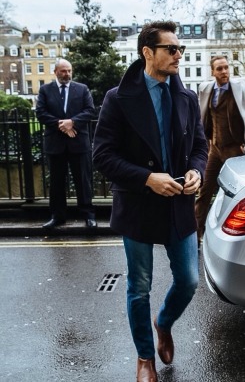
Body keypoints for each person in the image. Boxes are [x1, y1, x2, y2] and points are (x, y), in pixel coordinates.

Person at [92, 21, 208, 382]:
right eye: (171, 49)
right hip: (139, 205)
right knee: (138, 287)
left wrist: (196, 172)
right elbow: (102, 155)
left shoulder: (186, 97)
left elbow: (200, 148)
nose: (178, 55)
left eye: (180, 50)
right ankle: (144, 358)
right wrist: (146, 178)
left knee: (188, 280)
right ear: (148, 52)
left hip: (178, 204)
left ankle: (164, 322)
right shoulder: (118, 98)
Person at [194, 55, 245, 243]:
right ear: (212, 72)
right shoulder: (206, 90)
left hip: (234, 150)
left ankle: (239, 237)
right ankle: (196, 235)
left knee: (239, 193)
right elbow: (203, 116)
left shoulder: (240, 88)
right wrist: (207, 140)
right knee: (204, 191)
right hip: (215, 148)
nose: (224, 72)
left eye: (226, 68)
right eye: (219, 69)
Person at [36, 58, 97, 229]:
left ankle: (88, 216)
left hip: (78, 142)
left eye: (69, 70)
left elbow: (90, 111)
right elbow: (41, 113)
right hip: (55, 144)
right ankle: (58, 217)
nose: (67, 74)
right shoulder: (45, 90)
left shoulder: (82, 89)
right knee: (56, 183)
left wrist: (73, 122)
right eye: (63, 71)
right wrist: (62, 125)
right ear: (55, 72)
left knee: (83, 181)